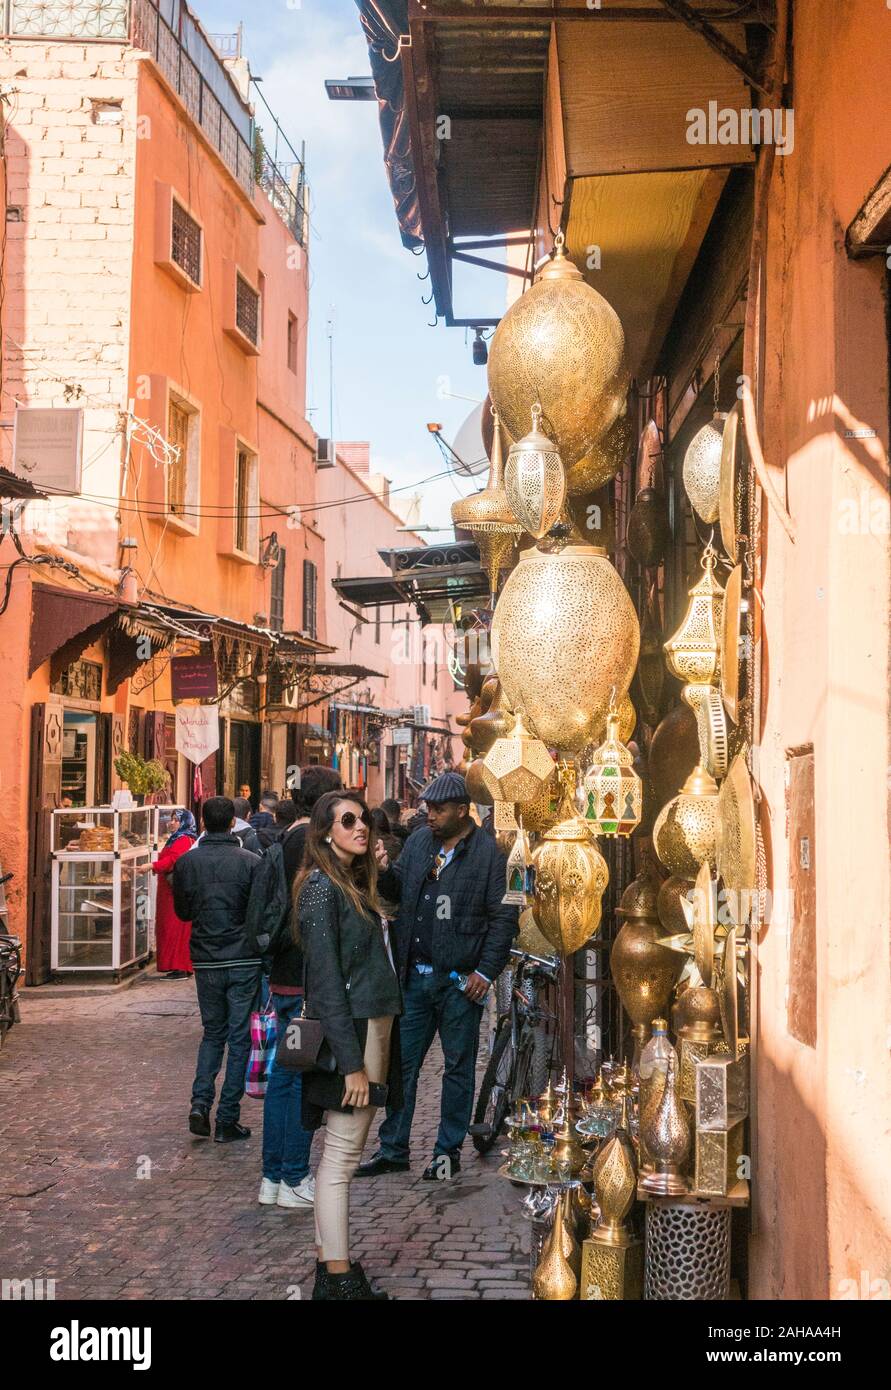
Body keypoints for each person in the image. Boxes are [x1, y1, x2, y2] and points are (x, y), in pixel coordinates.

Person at [357, 770, 518, 1182]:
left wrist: (485, 970)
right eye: (428, 807)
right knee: (402, 1066)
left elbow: (503, 916)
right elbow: (398, 893)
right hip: (415, 977)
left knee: (458, 1069)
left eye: (439, 809)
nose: (430, 815)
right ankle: (393, 1148)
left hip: (460, 982)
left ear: (462, 811)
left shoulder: (487, 854)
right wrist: (383, 870)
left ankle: (447, 1153)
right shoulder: (419, 843)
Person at [297, 791, 403, 1301]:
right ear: (324, 833)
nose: (361, 827)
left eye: (363, 819)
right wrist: (351, 1066)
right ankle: (339, 1280)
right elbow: (325, 982)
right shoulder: (320, 889)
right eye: (348, 821)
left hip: (369, 1029)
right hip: (352, 1037)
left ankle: (329, 1271)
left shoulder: (351, 884)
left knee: (341, 1155)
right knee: (341, 1160)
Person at [173, 797, 262, 1143]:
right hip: (243, 959)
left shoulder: (187, 863)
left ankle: (200, 1102)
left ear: (204, 822)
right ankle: (227, 1117)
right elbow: (258, 913)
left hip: (207, 957)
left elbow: (183, 912)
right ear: (233, 824)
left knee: (213, 1033)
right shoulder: (251, 863)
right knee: (239, 1038)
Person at [151, 808, 196, 979]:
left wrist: (152, 866)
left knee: (175, 928)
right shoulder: (176, 838)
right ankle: (173, 965)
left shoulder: (184, 839)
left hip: (174, 892)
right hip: (167, 891)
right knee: (168, 927)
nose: (172, 822)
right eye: (171, 819)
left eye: (176, 819)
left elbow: (174, 860)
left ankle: (180, 966)